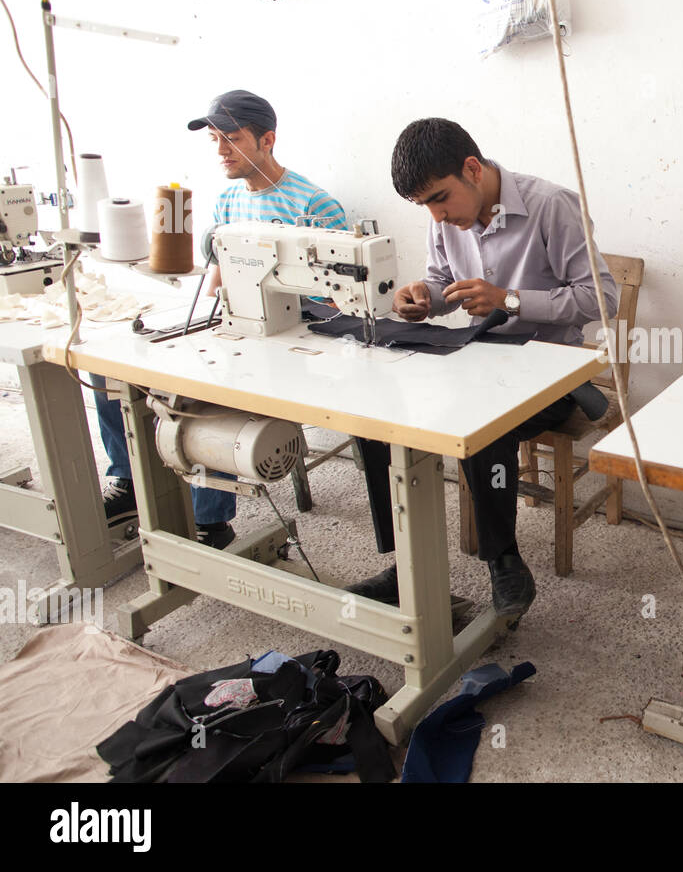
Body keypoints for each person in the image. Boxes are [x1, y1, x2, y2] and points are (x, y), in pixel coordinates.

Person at [346, 118, 618, 618]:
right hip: (479, 356)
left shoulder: (550, 205)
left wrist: (509, 300)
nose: (436, 214)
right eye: (425, 205)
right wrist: (423, 298)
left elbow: (601, 300)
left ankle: (503, 558)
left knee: (481, 426)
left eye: (439, 199)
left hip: (550, 372)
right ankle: (406, 562)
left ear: (473, 169)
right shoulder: (445, 217)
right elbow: (443, 282)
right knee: (375, 410)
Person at [95, 89, 347, 549]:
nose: (220, 152)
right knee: (108, 372)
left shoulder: (314, 205)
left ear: (267, 139)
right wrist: (191, 331)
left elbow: (336, 304)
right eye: (214, 141)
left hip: (292, 337)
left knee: (202, 391)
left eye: (231, 139)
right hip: (234, 325)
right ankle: (130, 484)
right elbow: (214, 283)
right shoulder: (227, 201)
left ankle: (211, 522)